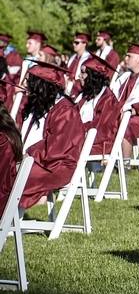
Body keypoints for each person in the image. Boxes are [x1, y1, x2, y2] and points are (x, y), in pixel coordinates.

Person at [16, 63, 85, 209]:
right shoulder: (39, 105)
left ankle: (7, 220)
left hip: (56, 165)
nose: (24, 85)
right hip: (37, 160)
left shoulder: (65, 110)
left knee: (10, 175)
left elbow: (57, 147)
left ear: (41, 86)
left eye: (29, 82)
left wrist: (29, 154)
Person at [76, 57, 122, 158]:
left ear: (94, 75)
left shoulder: (108, 99)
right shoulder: (86, 96)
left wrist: (74, 131)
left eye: (83, 72)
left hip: (100, 144)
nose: (79, 76)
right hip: (83, 139)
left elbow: (101, 129)